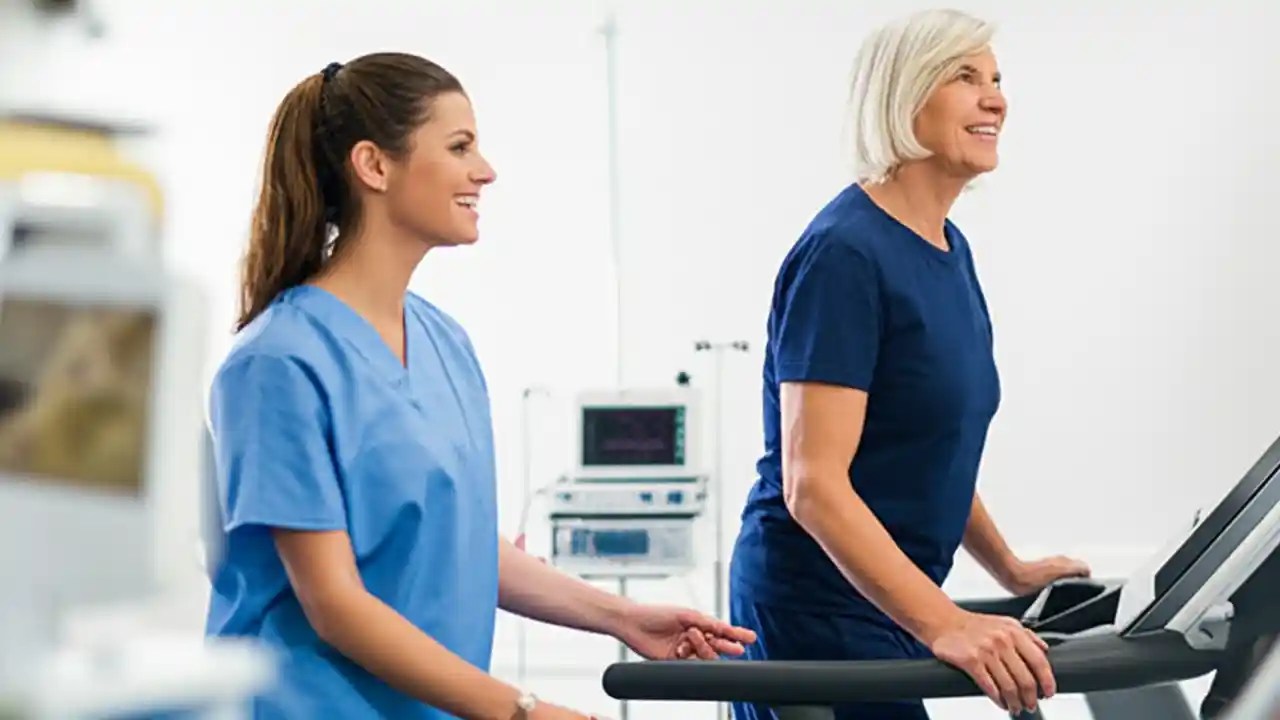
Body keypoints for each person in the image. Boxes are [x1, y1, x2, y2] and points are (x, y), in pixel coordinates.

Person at [203, 52, 755, 720]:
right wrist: (522, 710)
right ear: (374, 165)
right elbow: (336, 607)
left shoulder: (445, 343)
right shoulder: (277, 365)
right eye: (460, 146)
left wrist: (624, 618)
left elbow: (460, 545)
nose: (485, 170)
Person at [728, 10, 1091, 720]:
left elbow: (927, 447)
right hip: (817, 608)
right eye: (965, 77)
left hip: (887, 601)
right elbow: (814, 484)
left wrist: (1008, 567)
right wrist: (945, 621)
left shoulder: (947, 249)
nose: (995, 98)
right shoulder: (845, 255)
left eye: (996, 79)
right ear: (904, 94)